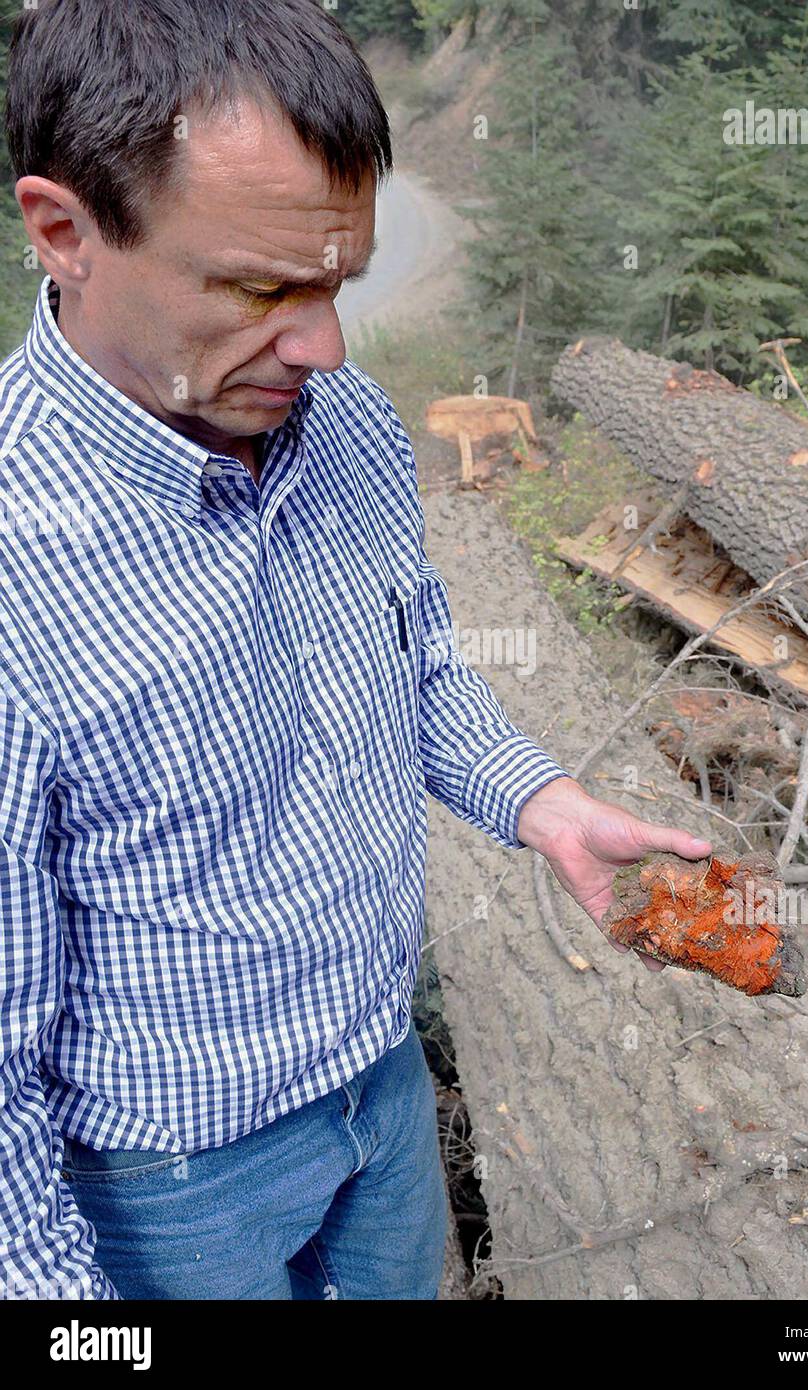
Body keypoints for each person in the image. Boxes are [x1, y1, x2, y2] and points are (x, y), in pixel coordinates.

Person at [0, 0, 711, 1300]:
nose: (323, 346)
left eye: (336, 281)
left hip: (381, 1091)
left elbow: (419, 665)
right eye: (258, 286)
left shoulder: (353, 428)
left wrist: (540, 803)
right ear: (65, 232)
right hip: (170, 1188)